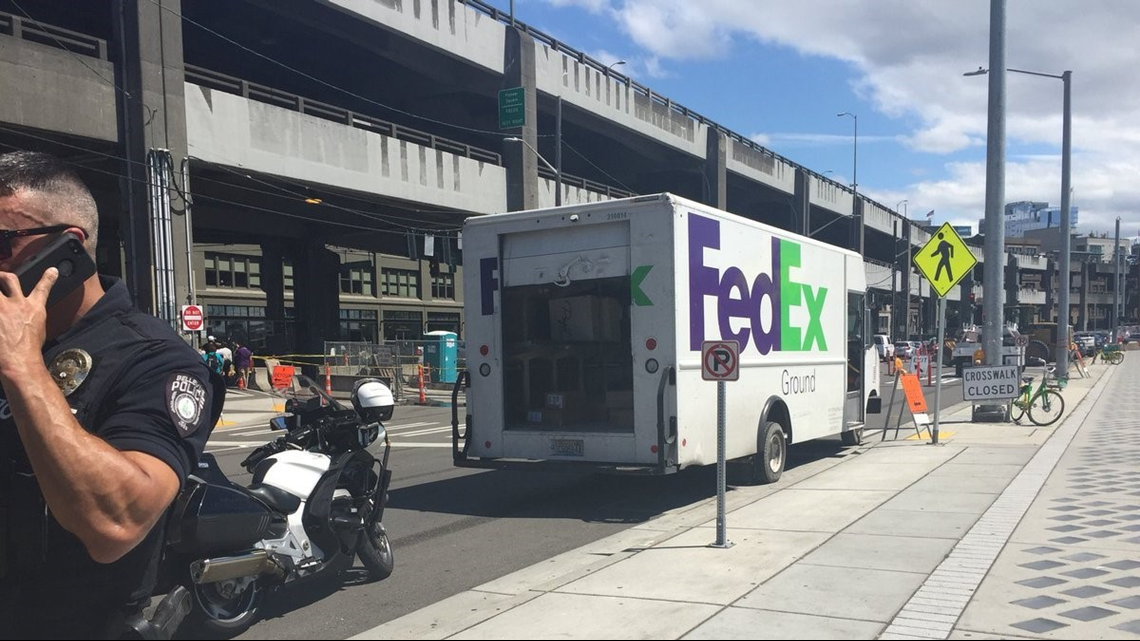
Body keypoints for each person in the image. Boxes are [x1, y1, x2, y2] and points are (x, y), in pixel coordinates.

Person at [0, 151, 224, 638]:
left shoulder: (155, 359)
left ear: (67, 248)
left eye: (2, 243)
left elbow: (117, 524)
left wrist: (22, 365)